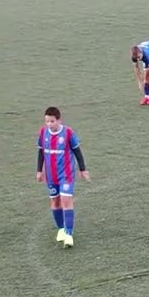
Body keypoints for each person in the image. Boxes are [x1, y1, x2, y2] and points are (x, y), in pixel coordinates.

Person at [36, 106, 88, 248]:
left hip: (66, 174)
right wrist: (39, 171)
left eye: (52, 121)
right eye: (47, 121)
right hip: (50, 175)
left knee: (66, 199)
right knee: (55, 201)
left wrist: (83, 169)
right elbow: (41, 152)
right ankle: (61, 229)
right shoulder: (43, 133)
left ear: (59, 120)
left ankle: (69, 233)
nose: (49, 124)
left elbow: (77, 151)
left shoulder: (68, 133)